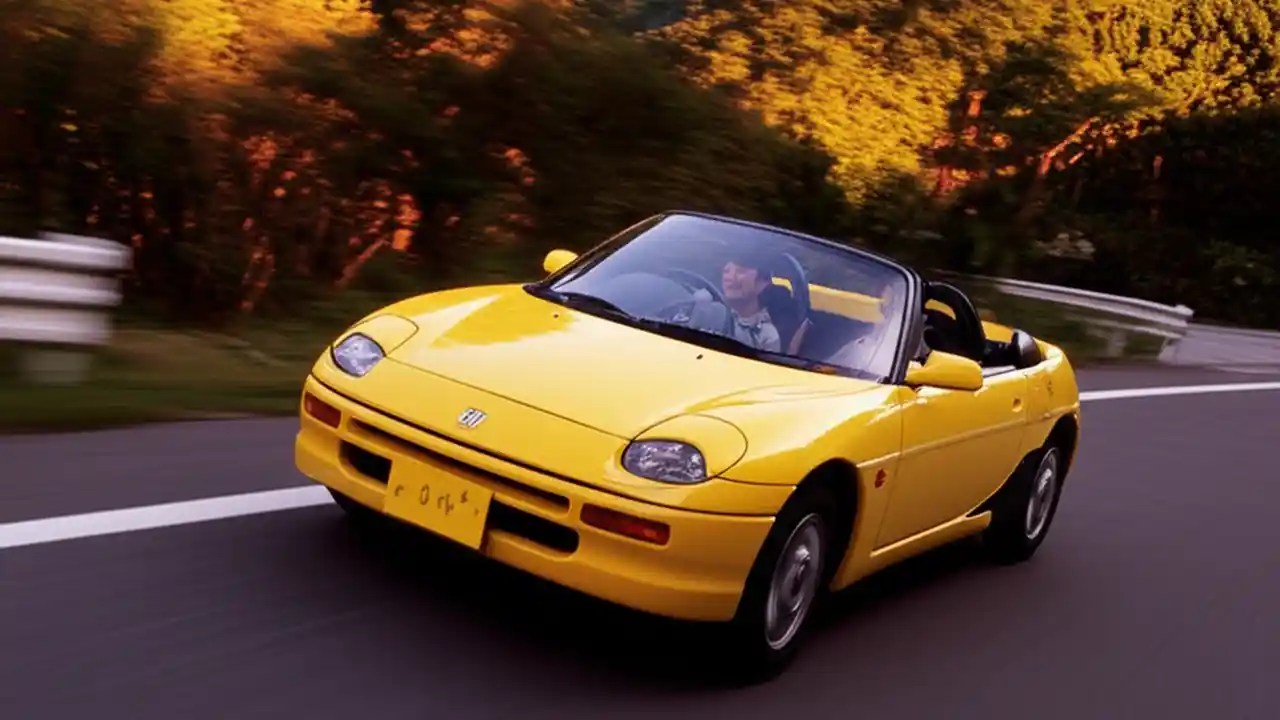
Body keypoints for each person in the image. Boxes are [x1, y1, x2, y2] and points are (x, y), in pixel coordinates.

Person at [683, 250, 782, 352]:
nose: (729, 278)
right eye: (727, 271)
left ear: (761, 283)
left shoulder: (766, 335)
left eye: (740, 271)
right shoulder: (705, 308)